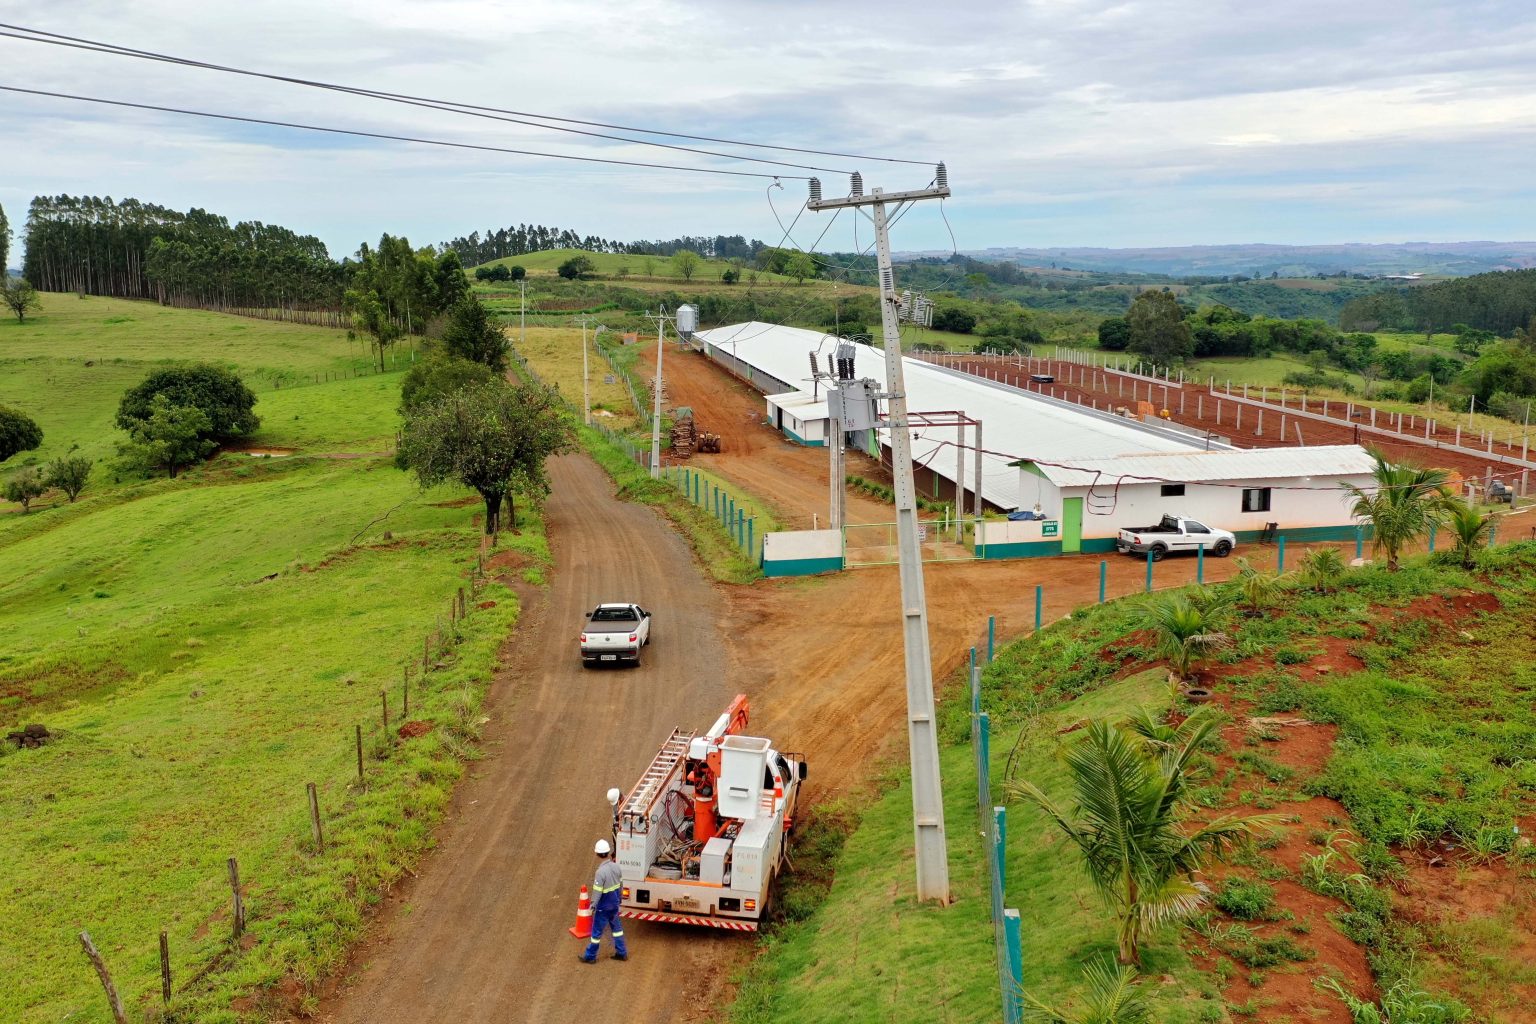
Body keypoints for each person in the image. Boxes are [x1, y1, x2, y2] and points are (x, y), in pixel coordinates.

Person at [579, 839, 628, 963]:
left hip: (603, 907)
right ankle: (622, 953)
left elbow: (597, 892)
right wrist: (619, 899)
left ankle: (590, 957)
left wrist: (592, 906)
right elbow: (621, 885)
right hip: (614, 905)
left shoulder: (600, 872)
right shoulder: (617, 867)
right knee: (617, 930)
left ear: (597, 854)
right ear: (608, 852)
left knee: (596, 933)